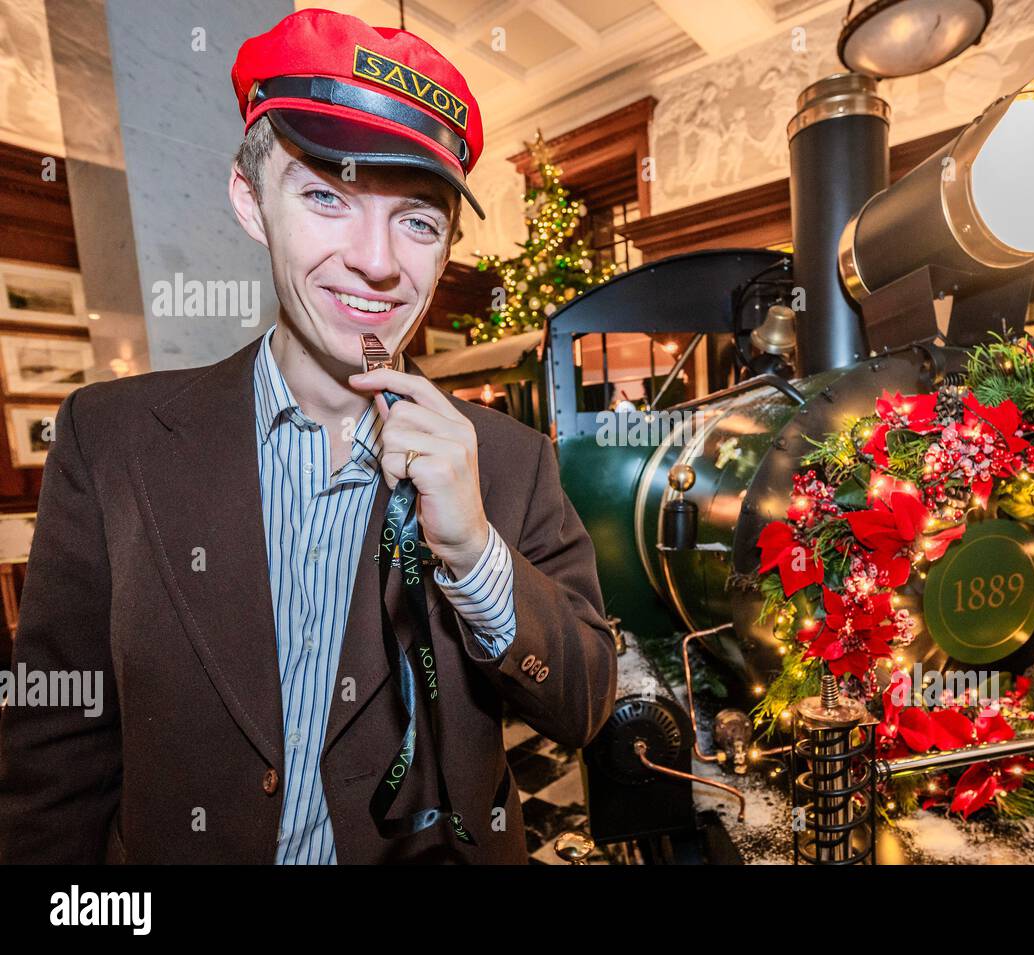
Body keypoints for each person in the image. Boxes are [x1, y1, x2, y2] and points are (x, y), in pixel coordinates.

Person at [0, 8, 617, 864]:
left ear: (445, 252)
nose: (376, 261)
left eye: (417, 220)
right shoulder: (114, 442)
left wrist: (475, 554)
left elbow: (585, 702)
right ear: (250, 201)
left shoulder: (509, 460)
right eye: (326, 195)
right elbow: (55, 753)